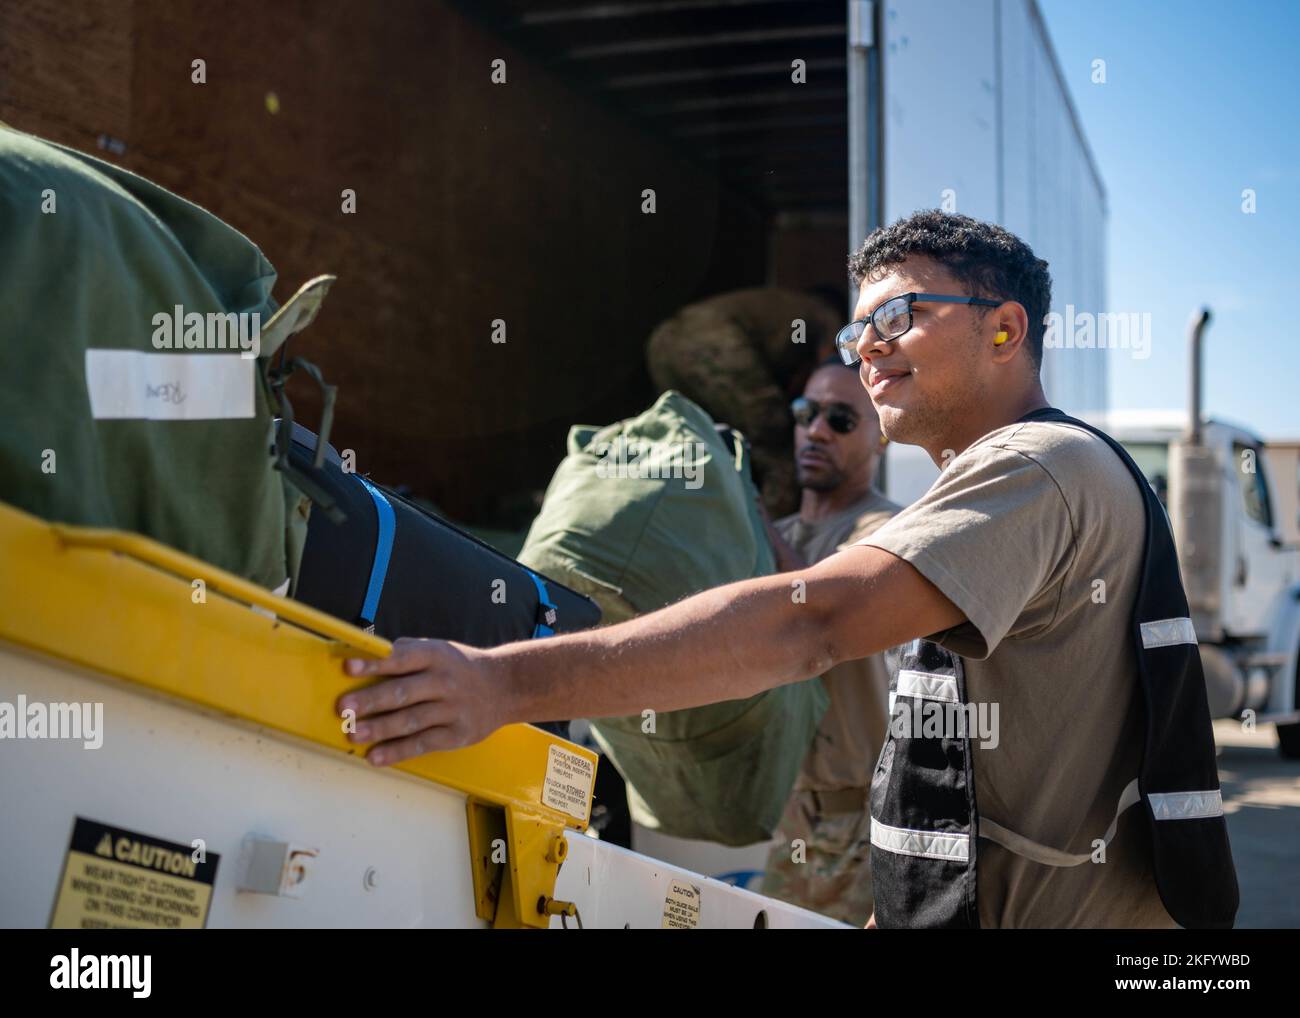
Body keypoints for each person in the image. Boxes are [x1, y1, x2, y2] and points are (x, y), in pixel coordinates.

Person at [337, 211, 1237, 929]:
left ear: (1006, 330)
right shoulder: (1009, 483)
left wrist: (500, 684)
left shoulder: (1037, 467)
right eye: (859, 331)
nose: (870, 347)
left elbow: (811, 623)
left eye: (900, 316)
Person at [757, 356, 899, 926]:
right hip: (791, 822)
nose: (815, 430)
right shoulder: (781, 534)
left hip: (861, 830)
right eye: (806, 413)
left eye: (841, 420)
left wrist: (750, 518)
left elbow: (815, 611)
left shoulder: (888, 531)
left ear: (880, 437)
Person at [645, 287, 843, 517]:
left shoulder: (788, 307)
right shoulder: (825, 314)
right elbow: (829, 377)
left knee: (686, 438)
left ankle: (673, 519)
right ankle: (768, 535)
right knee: (777, 445)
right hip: (715, 343)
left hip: (663, 342)